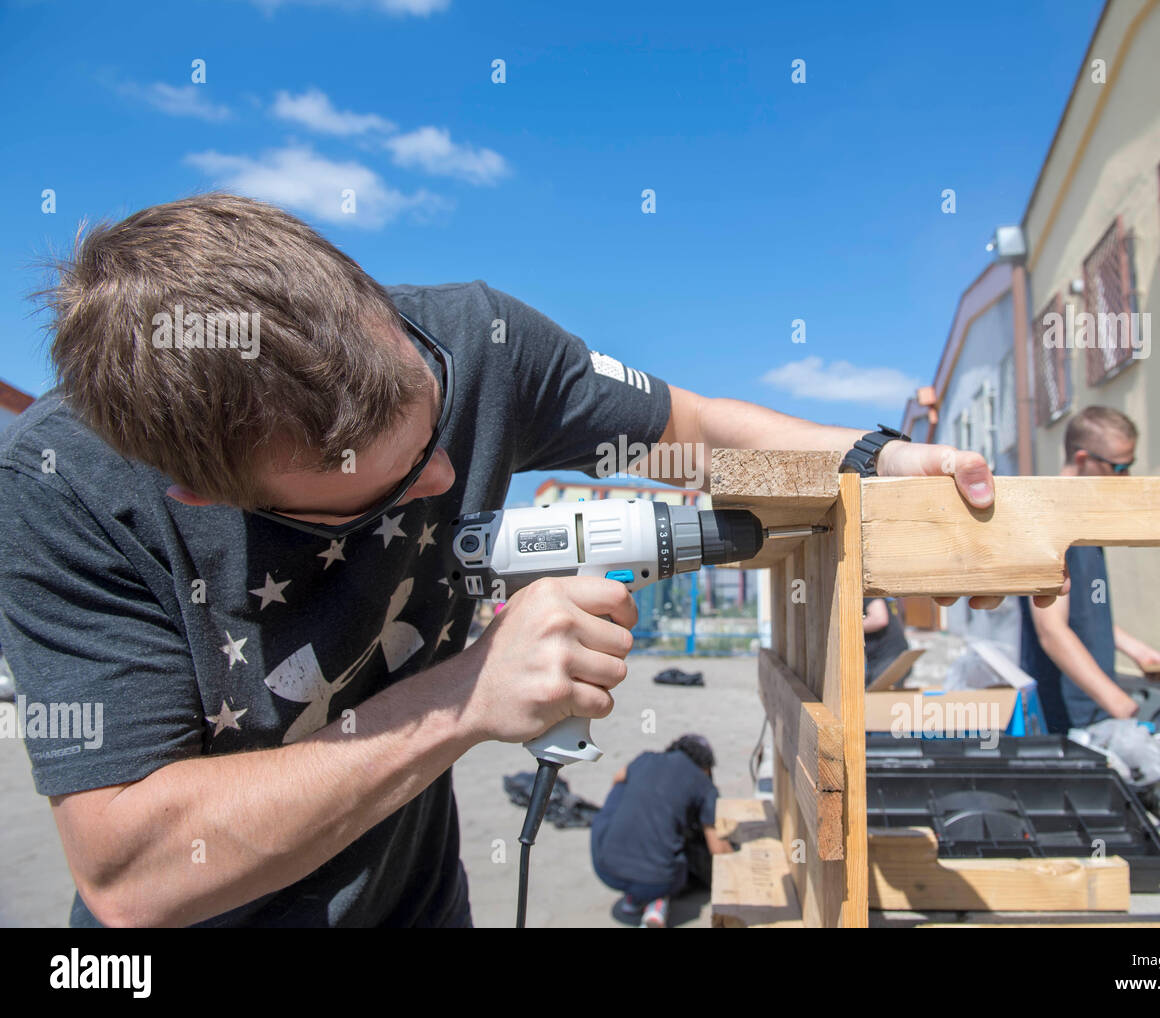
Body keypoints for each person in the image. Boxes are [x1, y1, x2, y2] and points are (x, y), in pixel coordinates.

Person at [0, 193, 1024, 928]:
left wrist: (876, 453)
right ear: (205, 493)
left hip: (417, 898)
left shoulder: (477, 337)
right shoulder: (62, 486)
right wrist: (463, 696)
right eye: (397, 481)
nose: (450, 475)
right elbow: (133, 874)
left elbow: (695, 426)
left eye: (435, 414)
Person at [1019, 406, 1160, 732]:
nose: (1125, 478)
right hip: (1065, 718)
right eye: (1118, 467)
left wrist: (1138, 651)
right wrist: (1124, 706)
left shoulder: (1082, 517)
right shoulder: (1050, 520)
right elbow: (1051, 631)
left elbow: (1082, 612)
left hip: (1093, 710)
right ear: (1082, 458)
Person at [590, 735, 726, 928]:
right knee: (676, 849)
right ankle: (658, 902)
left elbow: (617, 778)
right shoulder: (704, 785)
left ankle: (634, 899)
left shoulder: (646, 759)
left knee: (623, 789)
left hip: (604, 868)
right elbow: (717, 848)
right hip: (658, 880)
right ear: (706, 767)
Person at [863, 596, 911, 687]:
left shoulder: (865, 593)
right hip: (896, 655)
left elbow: (878, 619)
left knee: (878, 698)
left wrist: (849, 627)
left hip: (888, 658)